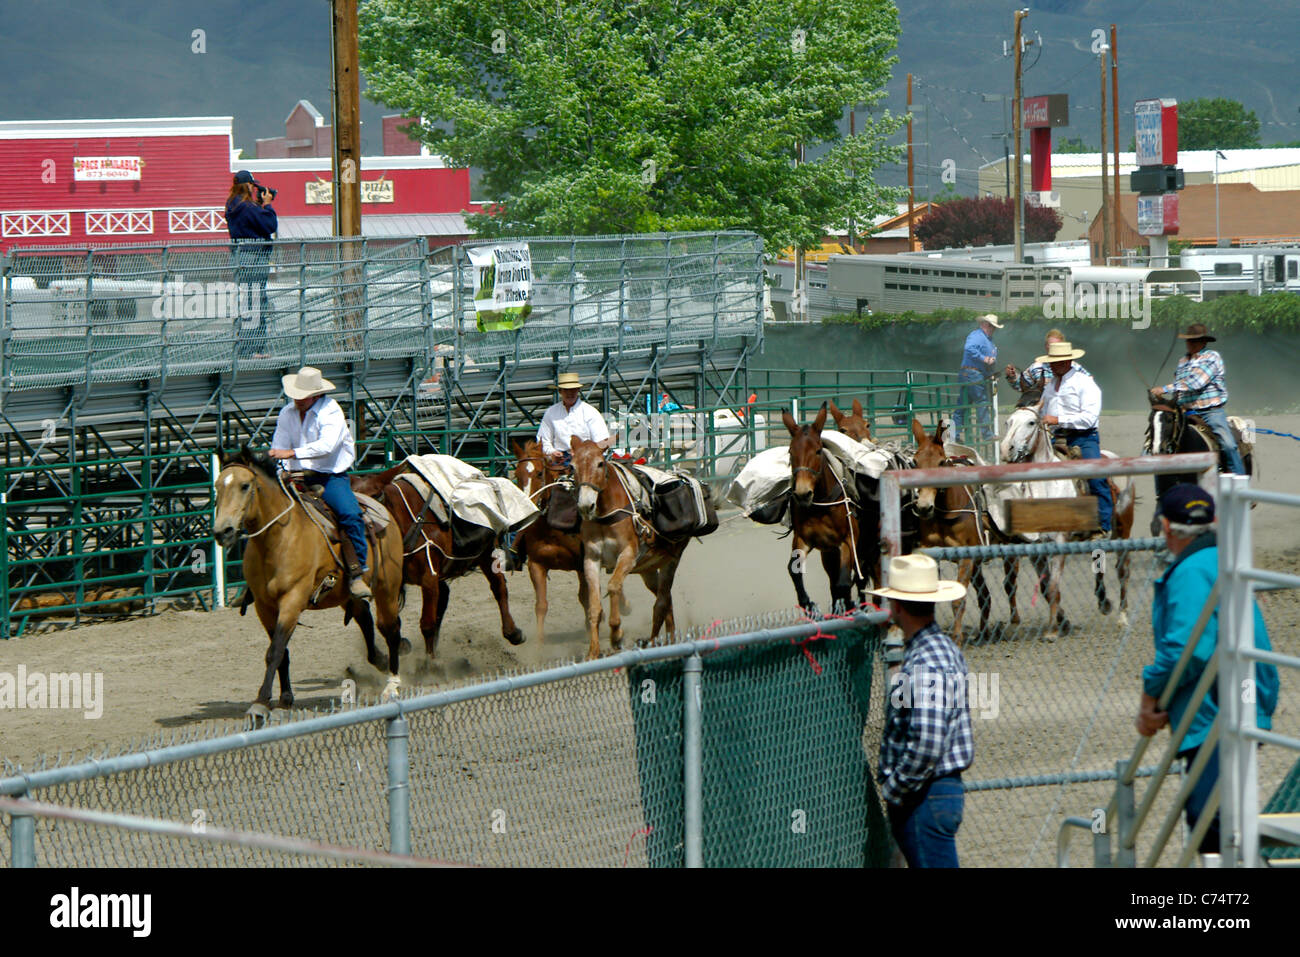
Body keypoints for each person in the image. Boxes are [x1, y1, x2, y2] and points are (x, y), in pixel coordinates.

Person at [1137, 484, 1277, 855]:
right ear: (1213, 521)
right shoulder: (1223, 560)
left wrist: (1150, 696)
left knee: (1209, 816)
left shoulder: (1191, 571)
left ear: (1165, 528)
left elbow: (1186, 649)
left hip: (1216, 710)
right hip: (1244, 697)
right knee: (1217, 813)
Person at [869, 553, 974, 868]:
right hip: (937, 792)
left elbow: (928, 742)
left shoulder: (923, 661)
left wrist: (894, 788)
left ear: (898, 607)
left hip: (924, 797)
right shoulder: (943, 648)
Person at [269, 367, 372, 600]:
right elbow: (279, 445)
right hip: (296, 476)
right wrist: (282, 468)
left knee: (349, 514)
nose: (297, 399)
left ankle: (357, 571)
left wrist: (291, 453)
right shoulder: (287, 413)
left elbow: (327, 447)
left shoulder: (331, 411)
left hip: (329, 475)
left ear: (314, 395)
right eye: (295, 395)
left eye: (301, 395)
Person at [1149, 323, 1246, 475]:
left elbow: (1196, 382)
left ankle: (1240, 485)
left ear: (1203, 342)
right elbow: (1180, 385)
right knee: (1155, 441)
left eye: (1194, 341)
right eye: (1188, 341)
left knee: (1228, 444)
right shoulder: (1183, 361)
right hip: (1185, 411)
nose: (1190, 344)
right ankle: (1161, 489)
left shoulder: (1212, 357)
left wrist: (1164, 389)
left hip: (1210, 412)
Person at [1038, 339, 1113, 534]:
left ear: (1067, 362)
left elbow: (1088, 419)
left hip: (1083, 438)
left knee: (1095, 477)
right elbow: (1042, 412)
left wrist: (1058, 420)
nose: (1053, 366)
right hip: (1055, 439)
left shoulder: (1085, 383)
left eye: (1057, 362)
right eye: (1052, 362)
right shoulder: (1049, 386)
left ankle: (1102, 527)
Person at [225, 170, 278, 359]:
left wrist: (260, 205)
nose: (255, 189)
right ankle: (253, 349)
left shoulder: (232, 205)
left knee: (249, 302)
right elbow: (270, 224)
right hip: (254, 257)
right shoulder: (247, 207)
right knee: (256, 302)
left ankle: (248, 348)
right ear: (248, 186)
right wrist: (268, 206)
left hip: (240, 257)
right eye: (253, 186)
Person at [537, 372, 613, 466]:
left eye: (573, 390)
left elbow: (601, 442)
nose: (570, 393)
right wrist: (552, 452)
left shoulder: (590, 412)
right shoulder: (551, 412)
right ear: (560, 391)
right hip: (559, 461)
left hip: (586, 460)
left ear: (578, 390)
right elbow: (543, 440)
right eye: (566, 390)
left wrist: (584, 453)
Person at [951, 313, 1001, 445]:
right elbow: (969, 348)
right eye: (991, 326)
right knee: (982, 402)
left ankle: (952, 435)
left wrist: (990, 373)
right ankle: (986, 434)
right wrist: (984, 358)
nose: (992, 329)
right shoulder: (977, 335)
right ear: (984, 324)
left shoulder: (987, 340)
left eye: (993, 327)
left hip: (971, 373)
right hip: (972, 374)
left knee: (963, 405)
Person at [1005, 328, 1092, 393]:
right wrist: (1012, 376)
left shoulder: (1075, 368)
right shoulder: (1037, 367)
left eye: (1056, 345)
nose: (1052, 348)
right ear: (1045, 346)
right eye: (1050, 345)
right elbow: (1021, 386)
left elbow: (1090, 383)